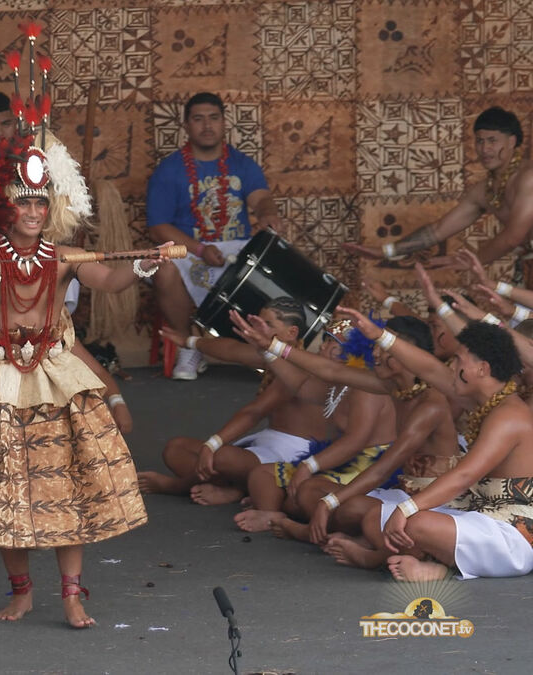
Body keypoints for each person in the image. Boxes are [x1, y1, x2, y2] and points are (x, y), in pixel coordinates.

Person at [0, 125, 152, 628]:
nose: (33, 212)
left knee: (63, 487)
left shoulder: (64, 257)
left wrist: (141, 268)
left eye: (41, 204)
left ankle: (71, 595)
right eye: (23, 203)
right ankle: (21, 592)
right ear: (5, 207)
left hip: (53, 379)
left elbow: (110, 279)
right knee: (8, 493)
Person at [342, 317, 533, 582]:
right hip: (478, 514)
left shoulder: (509, 416)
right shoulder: (487, 403)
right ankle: (414, 560)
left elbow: (463, 476)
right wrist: (380, 336)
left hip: (514, 535)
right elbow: (430, 370)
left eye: (458, 361)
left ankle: (430, 568)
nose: (451, 367)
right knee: (378, 516)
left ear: (482, 369)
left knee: (413, 522)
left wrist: (407, 507)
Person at [145, 92, 281, 380]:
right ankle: (188, 345)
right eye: (198, 119)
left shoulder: (242, 164)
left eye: (214, 118)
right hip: (191, 251)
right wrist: (200, 249)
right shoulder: (169, 170)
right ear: (186, 126)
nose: (207, 126)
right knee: (165, 269)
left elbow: (261, 199)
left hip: (236, 252)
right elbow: (158, 227)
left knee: (274, 258)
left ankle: (263, 346)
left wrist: (268, 213)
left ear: (224, 123)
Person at [140, 297, 329, 505]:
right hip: (264, 443)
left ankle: (179, 487)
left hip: (292, 453)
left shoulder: (297, 367)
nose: (258, 328)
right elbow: (231, 350)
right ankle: (237, 487)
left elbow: (255, 412)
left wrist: (213, 443)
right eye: (257, 322)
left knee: (221, 457)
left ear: (291, 333)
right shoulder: (270, 354)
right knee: (176, 449)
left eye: (268, 325)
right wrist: (189, 342)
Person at [231, 319, 396, 533]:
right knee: (263, 475)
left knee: (306, 493)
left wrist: (309, 466)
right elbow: (301, 385)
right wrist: (267, 350)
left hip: (367, 467)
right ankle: (272, 514)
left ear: (345, 352)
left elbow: (356, 441)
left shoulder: (365, 389)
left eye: (329, 342)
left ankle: (299, 523)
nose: (321, 346)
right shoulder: (340, 384)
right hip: (340, 459)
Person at [346, 107, 533, 268]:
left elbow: (512, 237)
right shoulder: (484, 190)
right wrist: (386, 251)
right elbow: (438, 230)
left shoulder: (528, 178)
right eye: (480, 141)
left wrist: (473, 261)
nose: (485, 149)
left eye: (492, 141)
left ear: (512, 141)